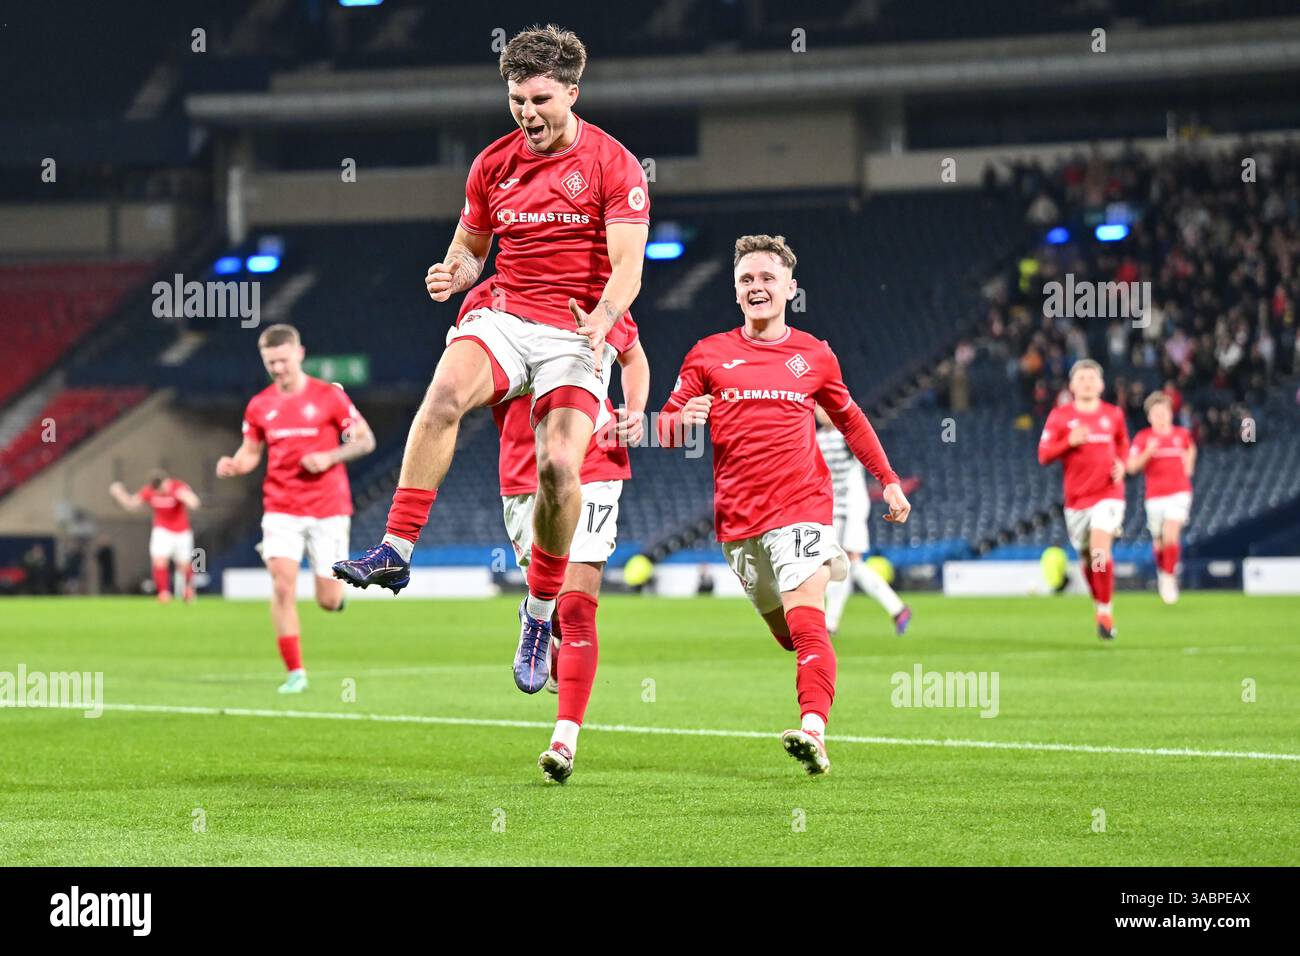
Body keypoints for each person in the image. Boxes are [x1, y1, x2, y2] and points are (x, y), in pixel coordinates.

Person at [332, 25, 650, 697]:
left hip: (575, 328)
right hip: (505, 309)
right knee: (444, 397)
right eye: (515, 101)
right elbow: (469, 248)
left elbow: (627, 267)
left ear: (571, 91)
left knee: (562, 467)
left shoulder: (614, 165)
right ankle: (396, 550)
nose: (527, 114)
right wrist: (454, 271)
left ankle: (538, 614)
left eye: (539, 99)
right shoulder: (492, 164)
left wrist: (603, 317)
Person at [658, 234, 911, 775]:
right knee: (787, 636)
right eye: (747, 279)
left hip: (801, 506)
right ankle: (810, 687)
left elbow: (851, 420)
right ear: (735, 290)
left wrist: (887, 478)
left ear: (789, 289)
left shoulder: (814, 355)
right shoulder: (707, 354)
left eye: (767, 278)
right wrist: (684, 420)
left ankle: (814, 732)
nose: (757, 287)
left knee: (809, 623)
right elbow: (667, 426)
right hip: (738, 522)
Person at [461, 279, 649, 782]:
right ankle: (538, 620)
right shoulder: (484, 301)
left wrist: (633, 408)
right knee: (556, 607)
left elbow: (633, 356)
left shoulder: (595, 296)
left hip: (596, 464)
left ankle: (563, 741)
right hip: (522, 474)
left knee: (577, 608)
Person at [216, 324, 375, 693]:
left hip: (328, 508)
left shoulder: (329, 397)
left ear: (299, 354)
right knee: (282, 586)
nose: (278, 369)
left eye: (283, 361)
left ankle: (337, 599)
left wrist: (330, 456)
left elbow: (365, 441)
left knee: (327, 599)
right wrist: (236, 465)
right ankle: (296, 672)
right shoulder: (260, 405)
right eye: (271, 363)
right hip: (281, 507)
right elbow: (251, 452)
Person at [1037, 359, 1130, 640]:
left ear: (1101, 385)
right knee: (1089, 559)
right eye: (1082, 378)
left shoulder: (1113, 415)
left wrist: (1123, 464)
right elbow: (1043, 455)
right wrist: (1069, 442)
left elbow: (1124, 443)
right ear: (1072, 385)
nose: (1088, 382)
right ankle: (1100, 603)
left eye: (1092, 377)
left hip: (1109, 495)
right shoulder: (1059, 417)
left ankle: (1105, 611)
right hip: (1076, 500)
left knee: (1101, 549)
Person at [813, 407, 911, 636]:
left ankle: (832, 623)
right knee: (842, 565)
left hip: (851, 507)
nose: (822, 412)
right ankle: (896, 609)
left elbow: (867, 445)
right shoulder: (816, 439)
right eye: (818, 407)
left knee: (846, 562)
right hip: (833, 509)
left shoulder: (847, 435)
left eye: (825, 406)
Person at [1128, 391, 1196, 604]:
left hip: (1179, 493)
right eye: (1156, 413)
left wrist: (1189, 464)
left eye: (1164, 412)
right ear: (1150, 416)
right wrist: (1148, 452)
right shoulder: (1143, 438)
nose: (1161, 416)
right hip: (1155, 497)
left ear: (1170, 413)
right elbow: (1131, 467)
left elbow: (1190, 449)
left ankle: (1168, 578)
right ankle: (1163, 571)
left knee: (1170, 533)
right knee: (1158, 541)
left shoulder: (1181, 435)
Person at [109, 469, 200, 602]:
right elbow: (132, 504)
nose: (160, 492)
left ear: (166, 482)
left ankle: (189, 590)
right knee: (159, 560)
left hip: (182, 532)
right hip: (162, 531)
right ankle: (163, 592)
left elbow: (195, 503)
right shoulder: (149, 491)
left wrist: (186, 497)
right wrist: (119, 494)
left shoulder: (178, 487)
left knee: (184, 564)